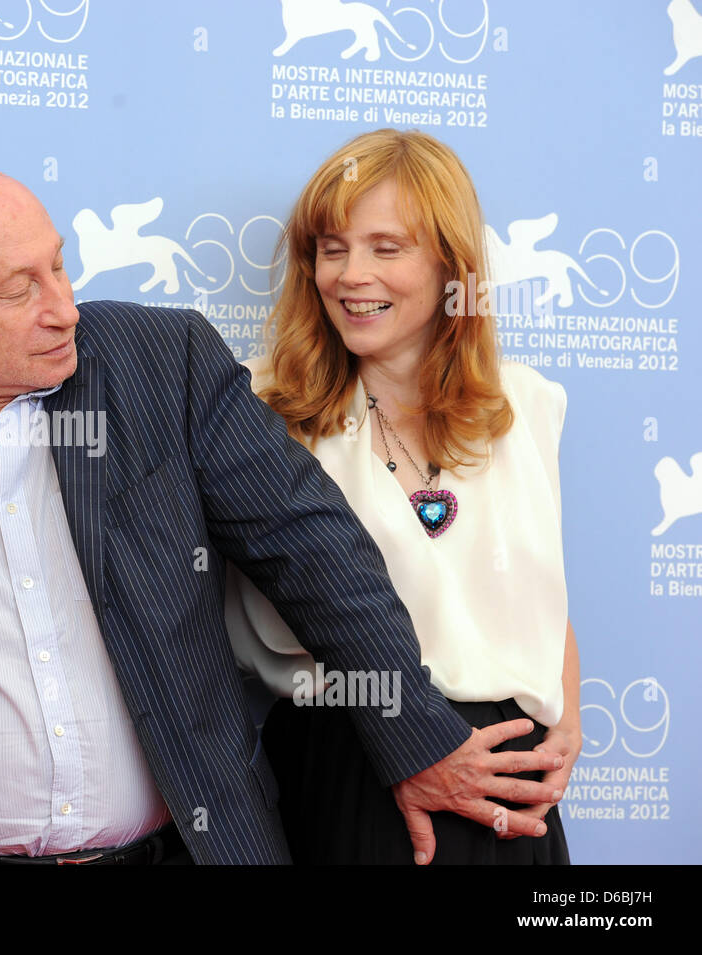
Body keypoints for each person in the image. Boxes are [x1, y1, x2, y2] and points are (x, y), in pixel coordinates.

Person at [0, 155, 567, 865]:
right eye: (17, 289)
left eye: (58, 265)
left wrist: (416, 738)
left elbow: (315, 550)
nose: (62, 308)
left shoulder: (162, 364)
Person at [226, 128, 580, 863]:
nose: (352, 275)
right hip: (354, 763)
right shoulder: (258, 407)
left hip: (511, 781)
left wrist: (565, 718)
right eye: (331, 247)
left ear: (452, 263)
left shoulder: (527, 404)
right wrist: (414, 749)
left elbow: (541, 599)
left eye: (387, 249)